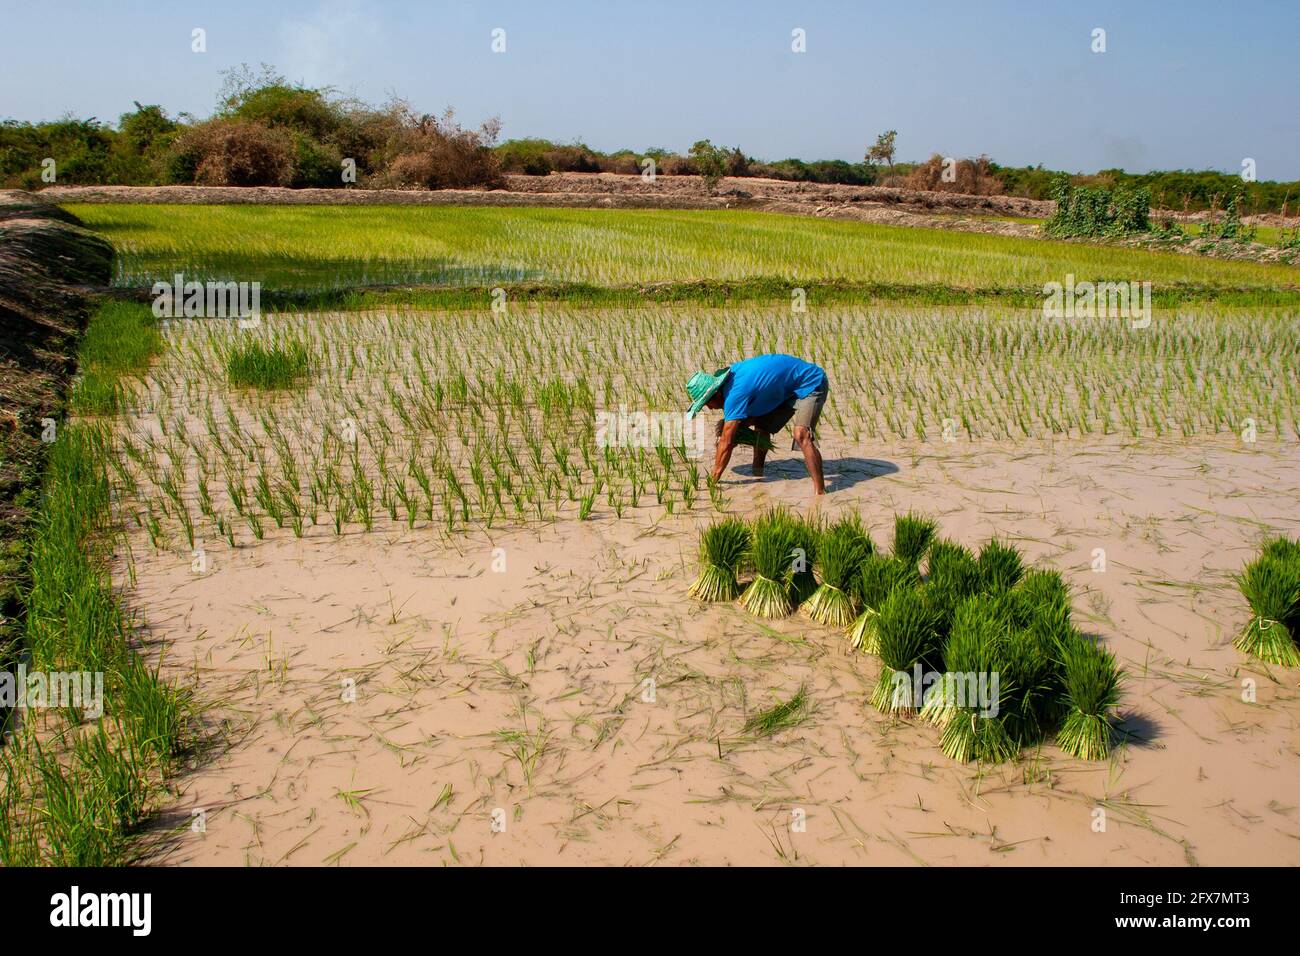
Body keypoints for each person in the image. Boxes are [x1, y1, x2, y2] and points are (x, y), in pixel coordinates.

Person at [685, 353, 828, 495]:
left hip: (812, 382)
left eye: (707, 403)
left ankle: (820, 492)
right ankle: (758, 473)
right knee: (760, 424)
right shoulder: (731, 381)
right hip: (786, 388)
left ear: (716, 394)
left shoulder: (734, 395)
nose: (709, 408)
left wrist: (713, 479)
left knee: (801, 435)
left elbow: (726, 441)